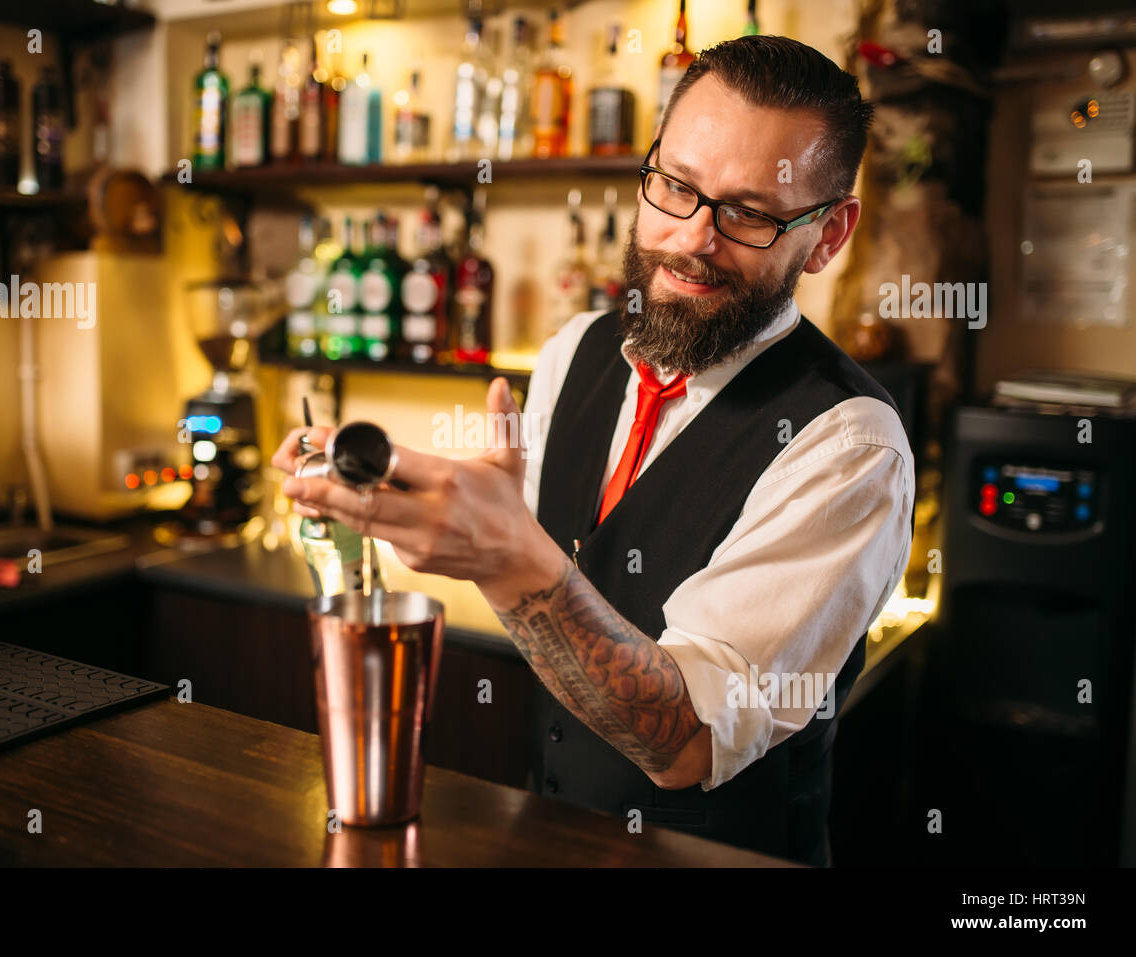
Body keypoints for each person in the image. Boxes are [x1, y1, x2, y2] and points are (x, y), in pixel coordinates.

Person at [274, 34, 914, 867]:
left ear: (828, 237)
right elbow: (548, 578)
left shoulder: (850, 446)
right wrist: (407, 497)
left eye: (749, 214)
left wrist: (505, 558)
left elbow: (684, 740)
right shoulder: (575, 352)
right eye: (676, 186)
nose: (691, 237)